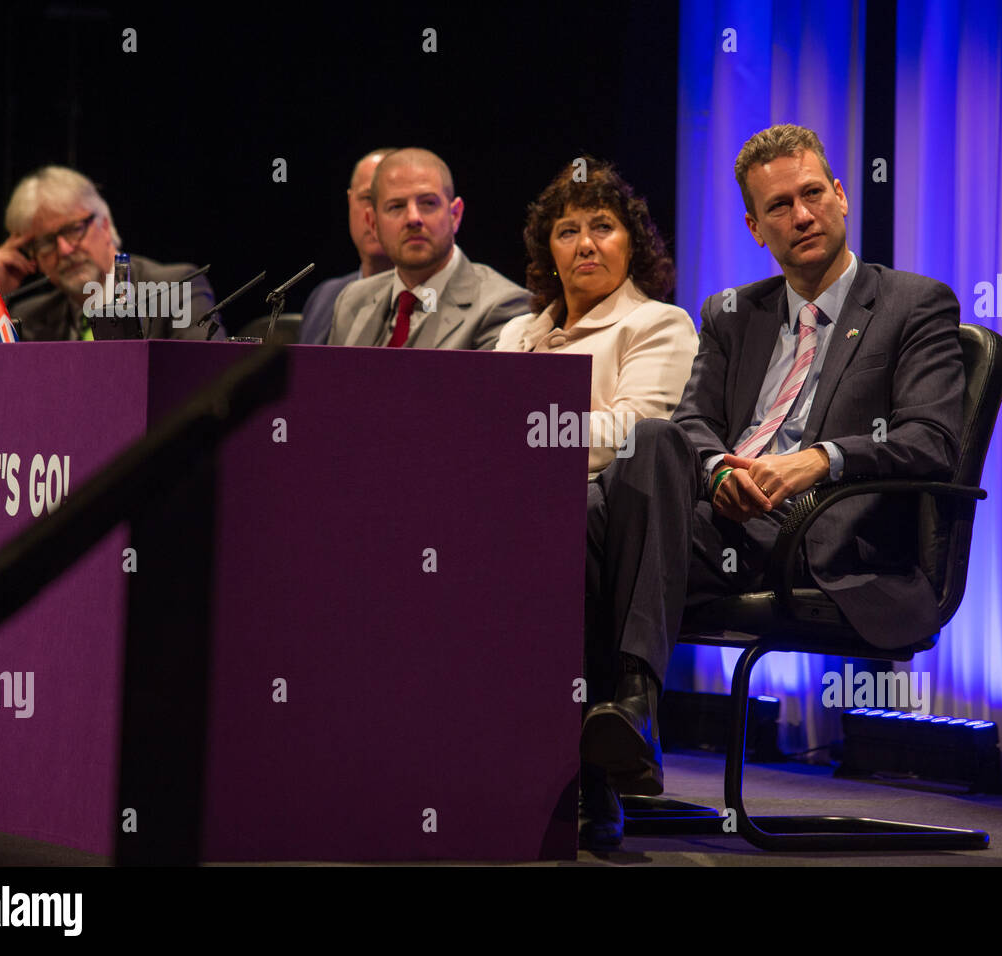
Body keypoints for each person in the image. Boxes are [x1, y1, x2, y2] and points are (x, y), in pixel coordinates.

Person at [579, 125, 966, 848]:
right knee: (650, 445)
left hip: (817, 529)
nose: (802, 215)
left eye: (812, 194)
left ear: (841, 196)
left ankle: (596, 769)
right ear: (756, 228)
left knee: (583, 529)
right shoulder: (733, 313)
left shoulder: (915, 304)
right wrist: (721, 469)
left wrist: (819, 459)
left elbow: (932, 441)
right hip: (713, 521)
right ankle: (626, 720)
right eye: (780, 206)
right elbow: (693, 424)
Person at [496, 159, 698, 478]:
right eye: (568, 232)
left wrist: (514, 431)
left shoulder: (662, 324)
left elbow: (633, 434)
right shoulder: (516, 331)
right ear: (549, 254)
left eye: (603, 227)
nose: (586, 245)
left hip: (594, 510)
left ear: (632, 244)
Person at [327, 148, 529, 349]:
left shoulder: (502, 306)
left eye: (428, 203)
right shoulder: (351, 301)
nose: (413, 218)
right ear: (373, 224)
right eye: (396, 206)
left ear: (455, 215)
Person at [0, 166, 218, 341]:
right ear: (32, 256)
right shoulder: (28, 318)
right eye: (46, 242)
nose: (65, 250)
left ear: (105, 225)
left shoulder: (176, 289)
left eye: (73, 230)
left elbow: (207, 382)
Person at [299, 149, 397, 345]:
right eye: (368, 198)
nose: (375, 214)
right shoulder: (325, 296)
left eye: (392, 203)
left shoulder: (430, 300)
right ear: (350, 201)